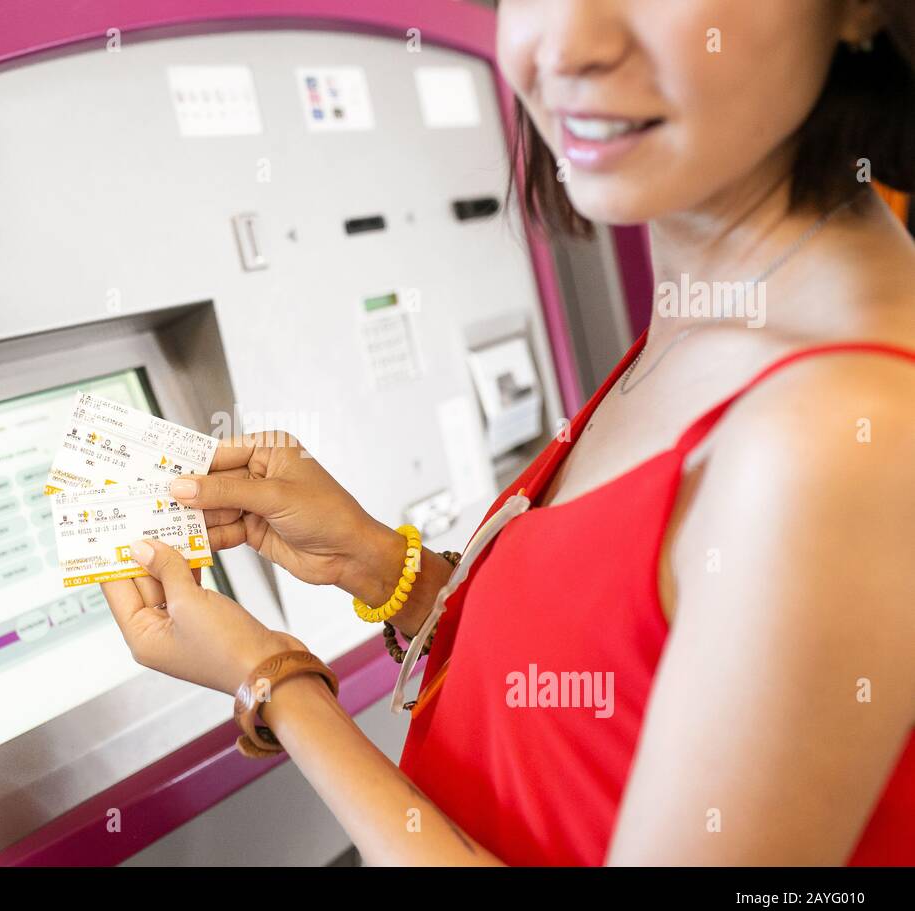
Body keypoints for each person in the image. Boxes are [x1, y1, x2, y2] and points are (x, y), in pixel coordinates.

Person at [101, 0, 915, 865]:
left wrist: (278, 685)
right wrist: (382, 567)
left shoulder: (842, 436)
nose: (568, 45)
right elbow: (607, 696)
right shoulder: (721, 311)